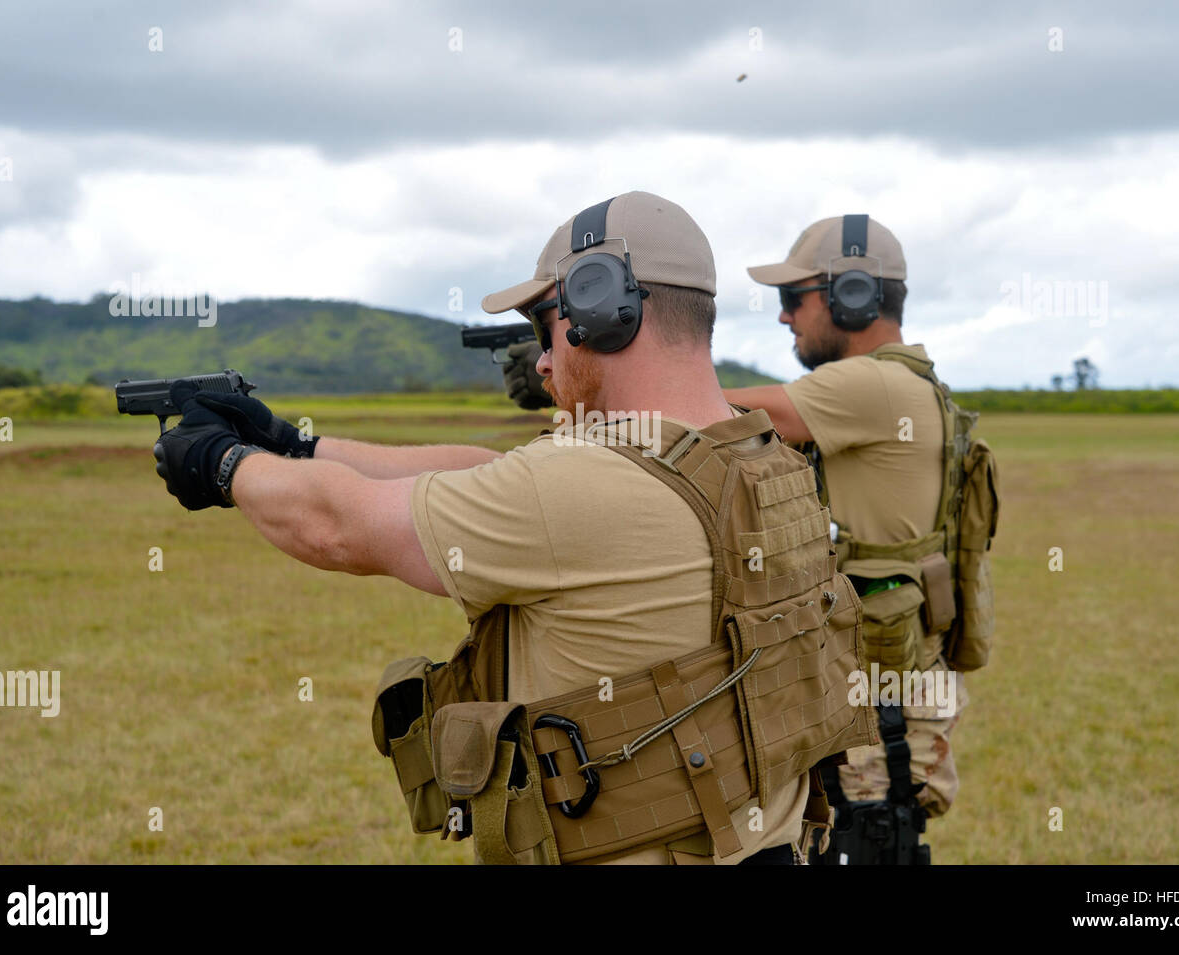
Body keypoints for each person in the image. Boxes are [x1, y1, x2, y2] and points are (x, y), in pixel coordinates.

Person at [150, 192, 876, 865]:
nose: (548, 360)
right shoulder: (764, 462)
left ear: (603, 308)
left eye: (547, 328)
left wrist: (221, 461)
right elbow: (492, 471)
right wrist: (297, 446)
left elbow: (336, 526)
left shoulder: (577, 490)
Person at [719, 214, 998, 864]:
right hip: (888, 697)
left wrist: (600, 385)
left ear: (854, 295)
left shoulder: (872, 384)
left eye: (795, 298)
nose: (785, 318)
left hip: (876, 713)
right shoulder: (907, 383)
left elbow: (719, 416)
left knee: (855, 845)